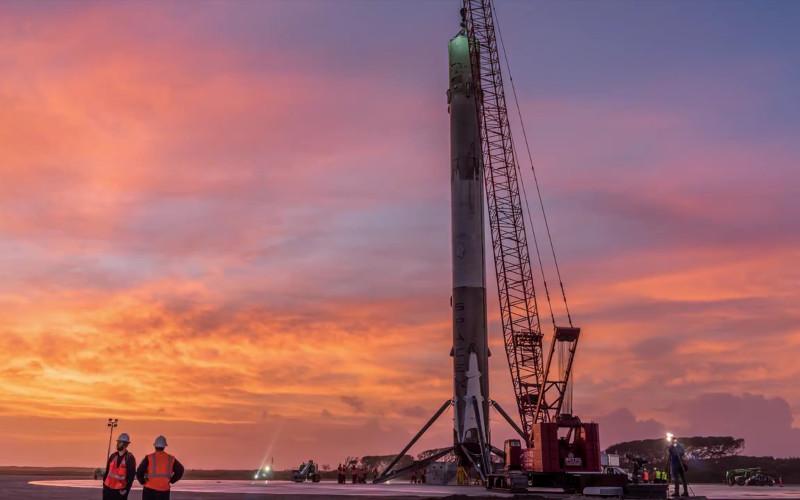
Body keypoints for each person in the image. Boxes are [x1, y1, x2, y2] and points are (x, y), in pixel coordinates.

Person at [136, 435, 184, 500]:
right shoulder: (171, 459)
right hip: (164, 491)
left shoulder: (149, 458)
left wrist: (142, 481)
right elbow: (180, 470)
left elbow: (139, 472)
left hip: (149, 490)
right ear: (164, 446)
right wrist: (172, 480)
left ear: (155, 446)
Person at [103, 433, 136, 500]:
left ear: (125, 444)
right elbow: (107, 472)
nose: (117, 444)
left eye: (119, 442)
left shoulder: (129, 458)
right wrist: (104, 485)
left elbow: (131, 477)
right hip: (108, 490)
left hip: (120, 492)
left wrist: (126, 490)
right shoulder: (113, 456)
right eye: (118, 442)